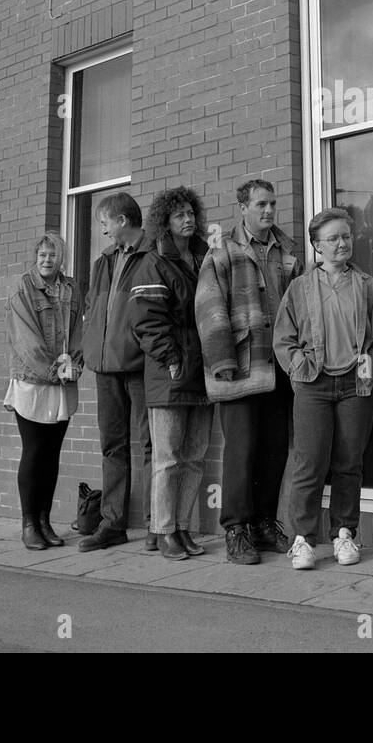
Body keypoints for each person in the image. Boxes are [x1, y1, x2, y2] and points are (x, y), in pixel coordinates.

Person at [196, 178, 304, 564]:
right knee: (240, 451)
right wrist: (222, 358)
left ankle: (262, 522)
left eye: (272, 204)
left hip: (280, 367)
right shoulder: (222, 249)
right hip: (241, 365)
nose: (268, 211)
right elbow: (208, 305)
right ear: (242, 207)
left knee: (274, 449)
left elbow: (301, 306)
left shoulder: (288, 250)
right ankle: (236, 529)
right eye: (260, 204)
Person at [273, 208, 373, 570]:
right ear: (317, 245)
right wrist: (299, 369)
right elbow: (283, 339)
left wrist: (369, 366)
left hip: (356, 384)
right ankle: (302, 540)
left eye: (346, 236)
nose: (341, 244)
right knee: (309, 462)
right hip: (313, 384)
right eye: (332, 238)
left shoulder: (366, 285)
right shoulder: (300, 287)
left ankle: (344, 535)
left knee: (350, 463)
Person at [135, 187, 214, 561]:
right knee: (168, 458)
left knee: (195, 456)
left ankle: (183, 527)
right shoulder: (154, 261)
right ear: (164, 220)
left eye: (190, 213)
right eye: (179, 214)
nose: (188, 219)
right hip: (171, 372)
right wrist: (171, 359)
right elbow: (147, 322)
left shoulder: (204, 257)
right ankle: (164, 531)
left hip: (203, 371)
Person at [78, 192, 156, 553]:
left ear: (122, 220)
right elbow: (94, 308)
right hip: (105, 368)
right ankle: (113, 524)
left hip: (141, 367)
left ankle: (158, 523)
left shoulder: (154, 253)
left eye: (105, 222)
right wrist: (88, 353)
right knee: (113, 446)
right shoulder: (103, 261)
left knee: (152, 446)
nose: (104, 230)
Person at [4, 232, 83, 550]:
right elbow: (25, 341)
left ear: (60, 258)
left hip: (63, 382)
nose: (47, 260)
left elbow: (79, 329)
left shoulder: (72, 289)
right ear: (35, 259)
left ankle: (45, 521)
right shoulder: (23, 289)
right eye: (42, 255)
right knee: (34, 452)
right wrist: (55, 369)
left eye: (52, 255)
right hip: (34, 383)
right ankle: (28, 523)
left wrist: (74, 363)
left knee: (52, 455)